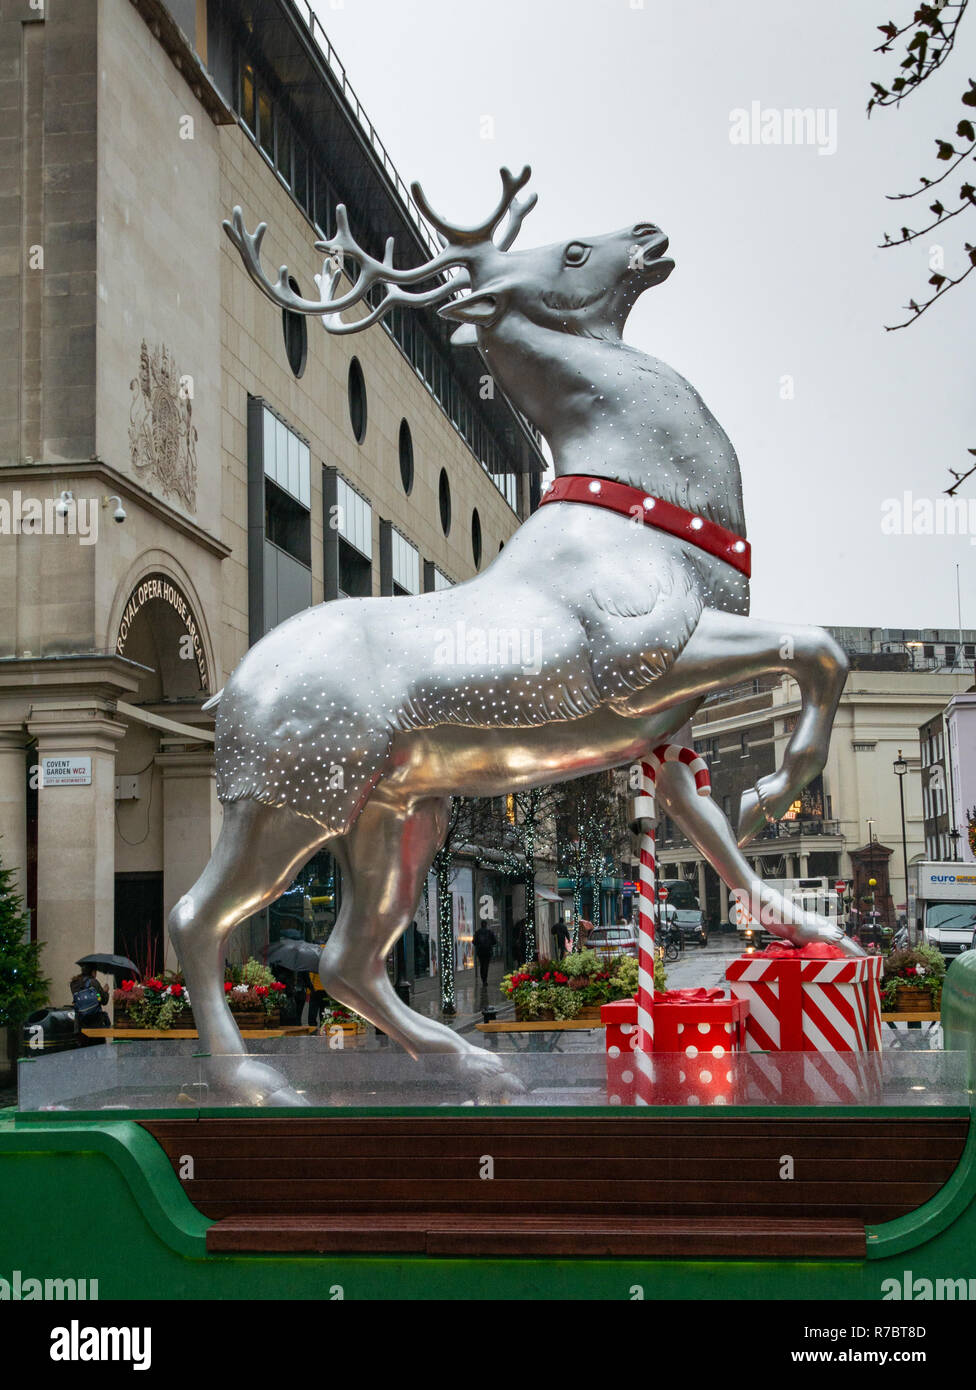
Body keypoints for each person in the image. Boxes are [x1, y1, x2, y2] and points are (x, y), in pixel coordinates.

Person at [70, 966, 110, 1037]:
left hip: (79, 1024)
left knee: (83, 1047)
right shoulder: (93, 982)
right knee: (96, 1046)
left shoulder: (74, 983)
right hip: (95, 1023)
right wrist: (105, 992)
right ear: (93, 972)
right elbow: (102, 1000)